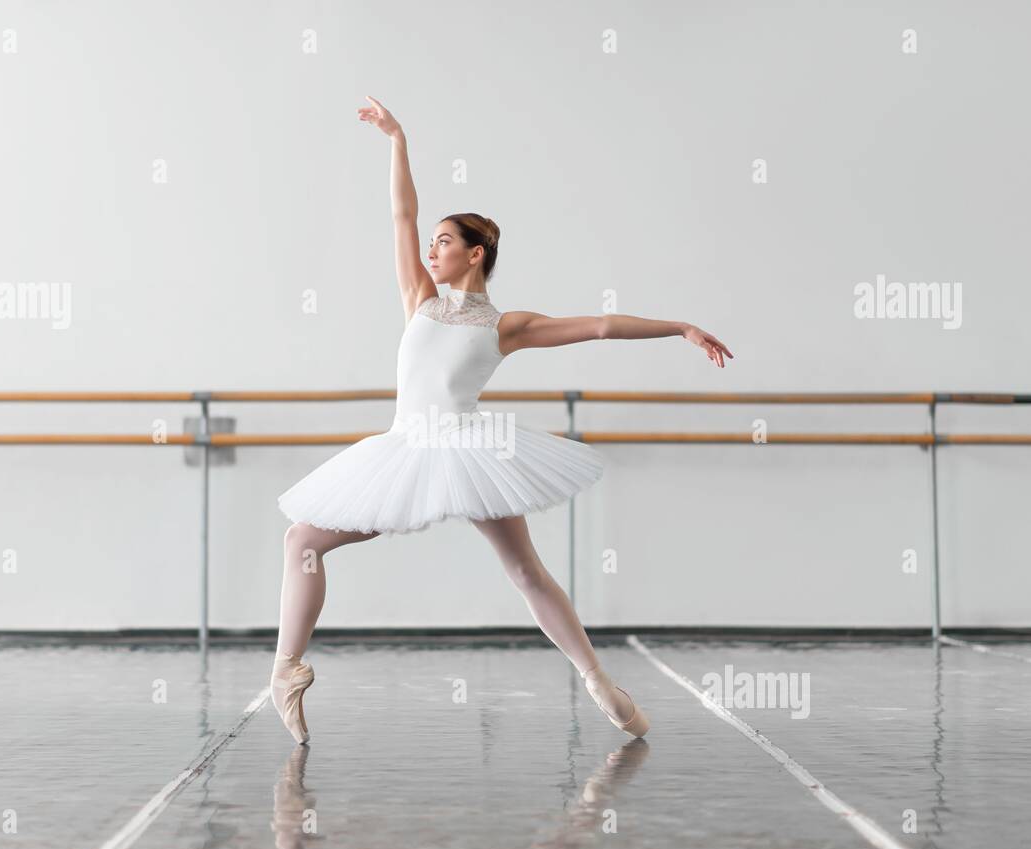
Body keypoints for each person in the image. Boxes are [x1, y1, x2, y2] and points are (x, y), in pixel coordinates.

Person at [271, 95, 734, 745]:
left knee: (524, 571)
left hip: (470, 447)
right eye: (431, 243)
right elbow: (401, 212)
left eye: (444, 243)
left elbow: (600, 325)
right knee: (303, 541)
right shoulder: (419, 300)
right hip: (405, 449)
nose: (431, 251)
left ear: (476, 254)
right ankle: (287, 670)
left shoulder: (505, 326)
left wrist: (679, 326)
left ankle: (599, 681)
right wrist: (397, 137)